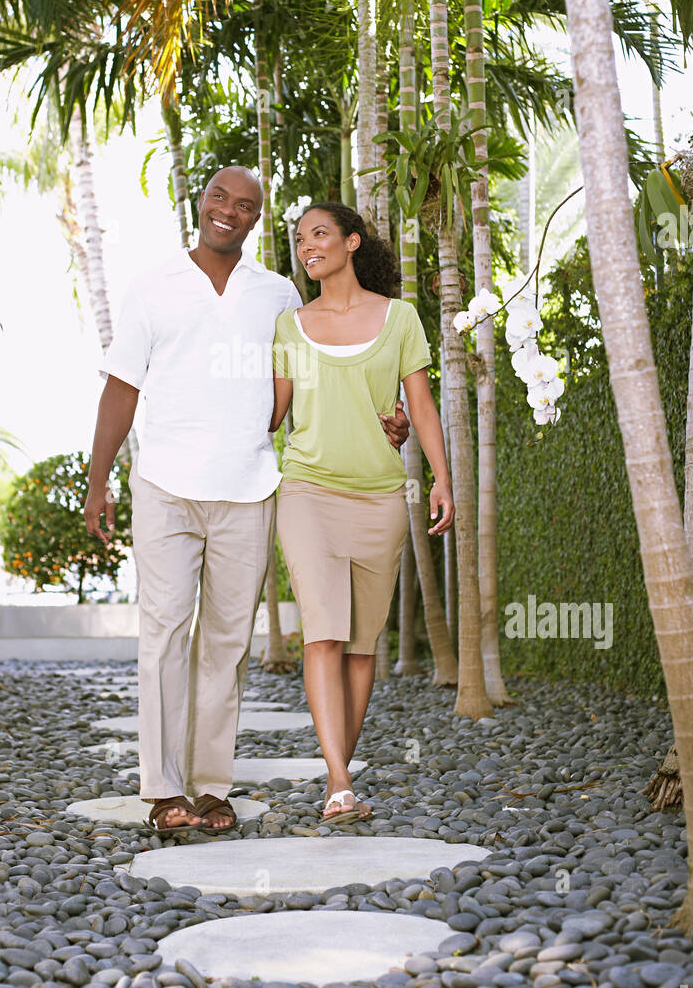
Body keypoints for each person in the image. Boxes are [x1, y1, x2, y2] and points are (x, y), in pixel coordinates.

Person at [84, 170, 411, 834]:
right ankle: (162, 789)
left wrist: (389, 421)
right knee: (166, 631)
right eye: (219, 199)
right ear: (200, 203)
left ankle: (210, 788)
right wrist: (97, 480)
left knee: (226, 644)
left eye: (246, 205)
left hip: (249, 486)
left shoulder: (278, 294)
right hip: (165, 484)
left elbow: (315, 385)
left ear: (257, 220)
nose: (229, 211)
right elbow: (122, 389)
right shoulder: (154, 286)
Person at [270, 201, 454, 824]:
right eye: (300, 239)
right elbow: (273, 416)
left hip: (379, 497)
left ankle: (334, 775)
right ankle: (342, 780)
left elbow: (420, 407)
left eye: (319, 234)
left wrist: (441, 478)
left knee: (359, 647)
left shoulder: (399, 318)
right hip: (307, 491)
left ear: (351, 242)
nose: (307, 246)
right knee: (323, 631)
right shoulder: (289, 326)